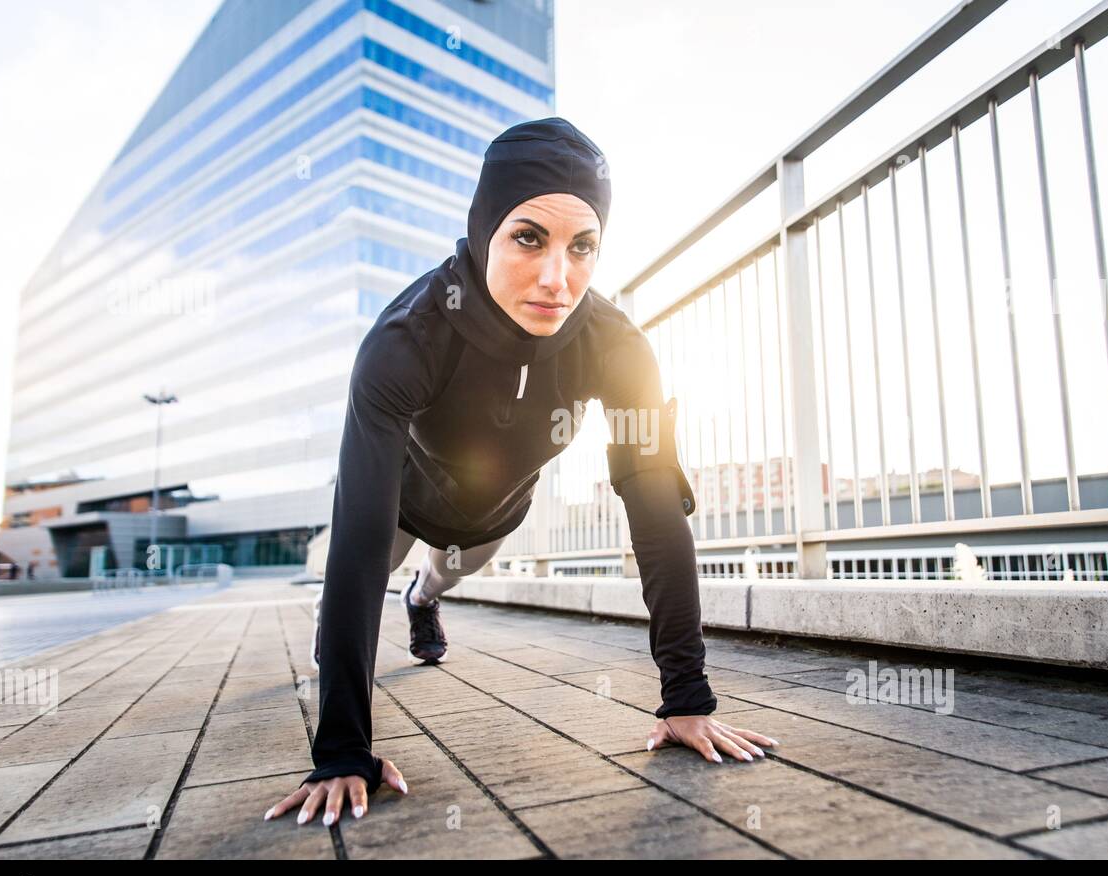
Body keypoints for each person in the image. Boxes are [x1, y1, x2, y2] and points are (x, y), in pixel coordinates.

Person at [265, 117, 778, 829]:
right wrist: (343, 749)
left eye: (583, 247)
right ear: (483, 231)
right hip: (400, 504)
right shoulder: (405, 339)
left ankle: (423, 600)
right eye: (529, 237)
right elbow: (357, 534)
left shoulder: (616, 346)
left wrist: (686, 697)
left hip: (490, 516)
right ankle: (359, 627)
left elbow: (655, 508)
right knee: (341, 626)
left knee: (445, 573)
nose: (554, 278)